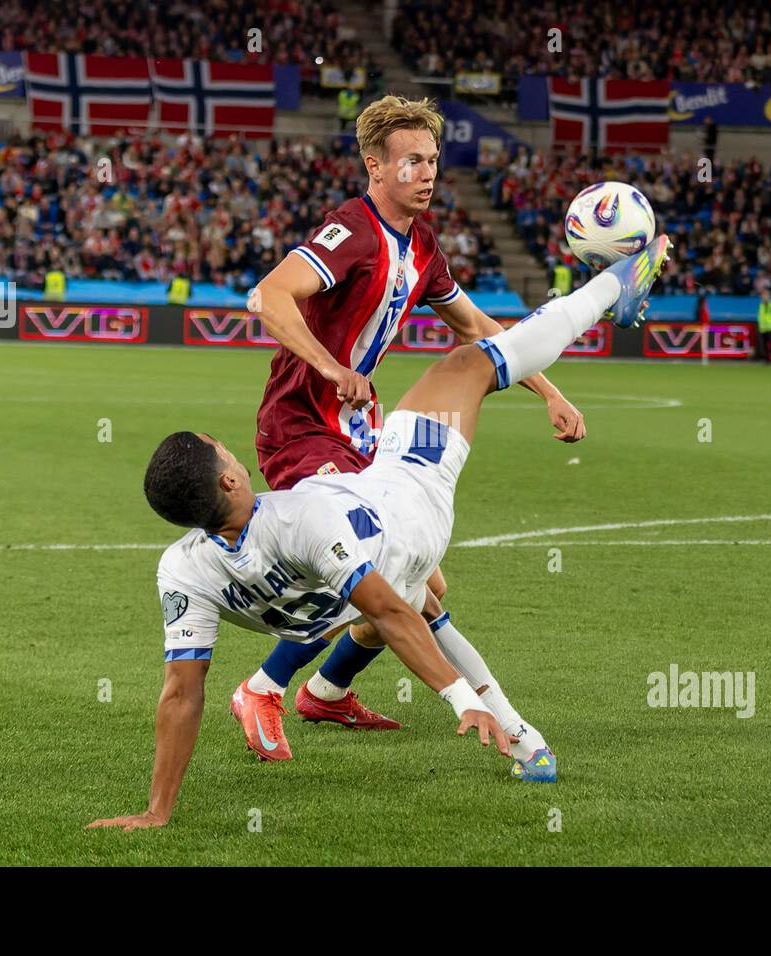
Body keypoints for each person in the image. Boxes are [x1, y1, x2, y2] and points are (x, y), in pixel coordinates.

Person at [86, 236, 669, 830]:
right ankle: (609, 290)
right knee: (467, 364)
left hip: (374, 510)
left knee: (424, 596)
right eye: (227, 454)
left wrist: (157, 810)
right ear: (230, 483)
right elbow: (389, 613)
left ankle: (516, 738)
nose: (239, 456)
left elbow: (182, 695)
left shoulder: (183, 568)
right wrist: (459, 699)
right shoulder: (302, 519)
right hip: (412, 497)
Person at [238, 95, 585, 779]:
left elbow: (477, 330)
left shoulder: (422, 247)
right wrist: (333, 367)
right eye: (413, 162)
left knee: (426, 584)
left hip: (354, 429)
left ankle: (326, 693)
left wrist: (550, 392)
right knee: (379, 577)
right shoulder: (352, 231)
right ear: (376, 167)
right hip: (301, 425)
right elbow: (271, 295)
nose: (428, 173)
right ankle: (262, 689)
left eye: (432, 160)